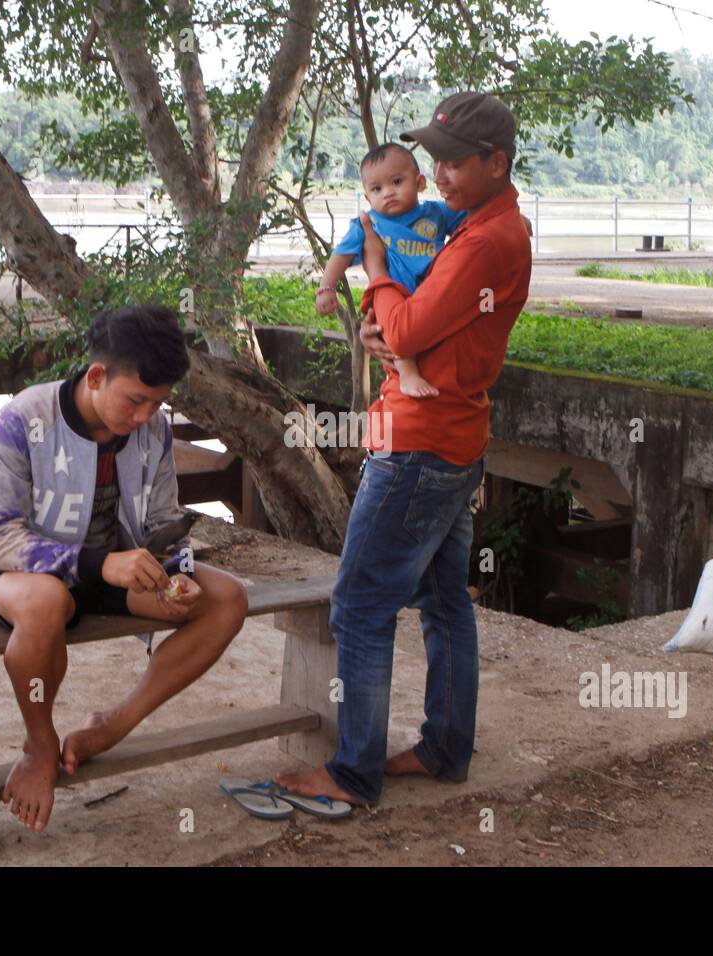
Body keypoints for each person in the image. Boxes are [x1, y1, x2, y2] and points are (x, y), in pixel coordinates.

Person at [275, 92, 533, 806]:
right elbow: (412, 327)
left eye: (454, 163)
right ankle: (446, 748)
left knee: (359, 604)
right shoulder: (484, 224)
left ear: (496, 163)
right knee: (446, 599)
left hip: (419, 444)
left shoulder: (483, 239)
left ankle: (353, 773)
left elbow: (413, 327)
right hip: (452, 433)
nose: (440, 174)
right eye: (437, 160)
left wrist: (379, 274)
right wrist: (379, 322)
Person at [0, 304, 249, 833]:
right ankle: (39, 741)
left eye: (158, 403)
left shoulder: (154, 431)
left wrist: (179, 572)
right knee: (49, 600)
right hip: (18, 580)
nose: (145, 417)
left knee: (228, 599)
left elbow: (166, 524)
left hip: (116, 572)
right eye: (136, 400)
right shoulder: (22, 420)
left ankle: (112, 726)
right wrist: (100, 563)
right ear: (97, 376)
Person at [316, 142, 467, 398]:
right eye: (377, 189)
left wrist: (511, 219)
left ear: (419, 183)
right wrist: (326, 288)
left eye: (397, 182)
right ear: (367, 197)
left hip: (430, 294)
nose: (388, 193)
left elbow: (474, 219)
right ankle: (407, 373)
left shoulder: (437, 213)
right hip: (392, 295)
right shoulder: (369, 224)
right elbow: (340, 255)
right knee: (390, 330)